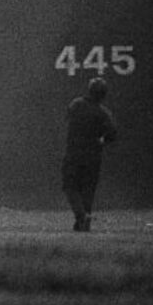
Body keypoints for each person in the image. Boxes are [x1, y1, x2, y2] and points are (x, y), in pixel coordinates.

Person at [62, 77, 119, 231]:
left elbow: (68, 120)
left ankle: (81, 216)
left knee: (70, 187)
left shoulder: (76, 104)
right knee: (88, 189)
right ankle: (84, 221)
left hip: (74, 152)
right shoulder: (103, 113)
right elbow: (112, 134)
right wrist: (101, 140)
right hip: (93, 156)